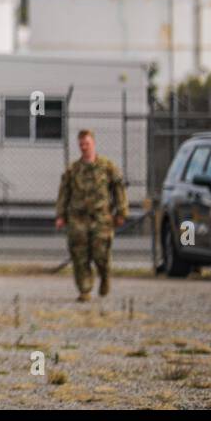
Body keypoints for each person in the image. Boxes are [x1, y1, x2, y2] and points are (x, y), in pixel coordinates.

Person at [56, 129, 128, 301]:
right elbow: (64, 193)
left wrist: (121, 211)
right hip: (78, 218)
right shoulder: (73, 169)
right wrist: (60, 215)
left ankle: (104, 277)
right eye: (81, 144)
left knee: (100, 254)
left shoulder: (107, 167)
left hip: (101, 218)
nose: (84, 147)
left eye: (87, 144)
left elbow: (119, 189)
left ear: (93, 144)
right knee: (79, 255)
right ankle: (84, 290)